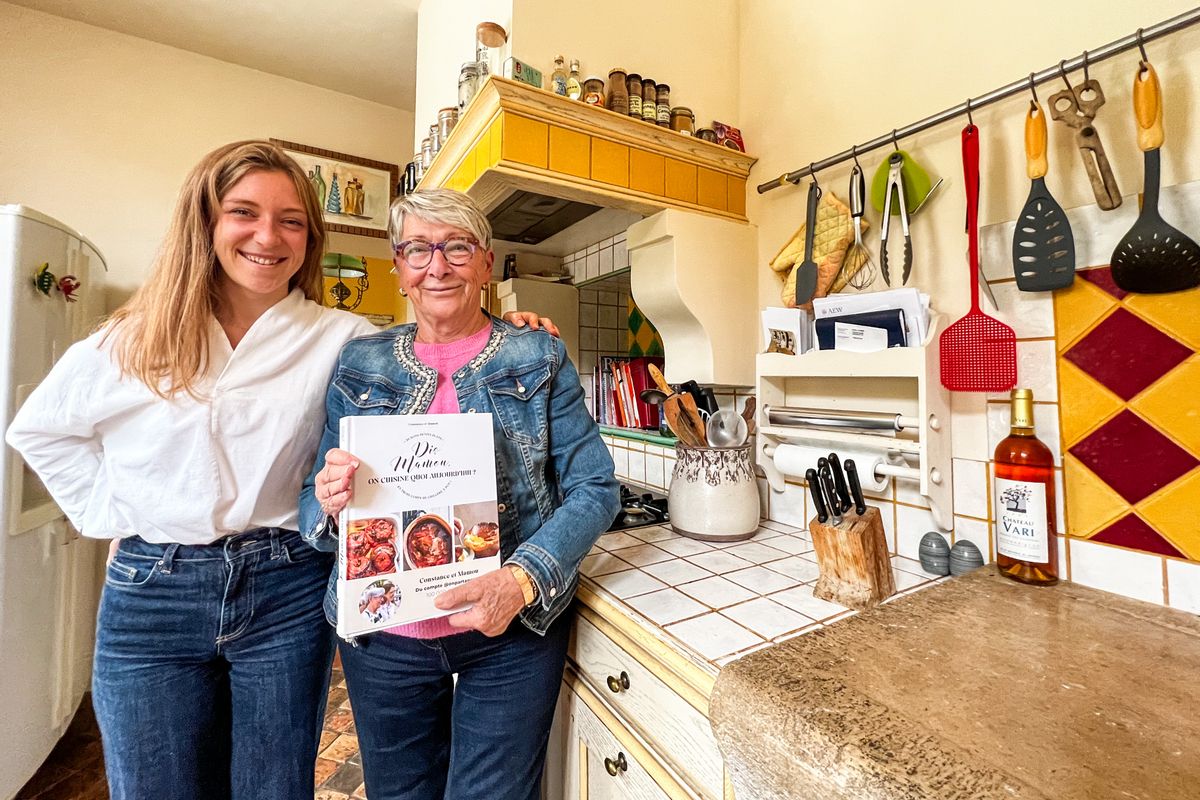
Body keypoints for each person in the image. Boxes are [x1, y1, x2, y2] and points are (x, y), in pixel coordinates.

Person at [5, 140, 556, 800]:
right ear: (205, 222)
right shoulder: (136, 336)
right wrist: (116, 512)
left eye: (291, 220)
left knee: (273, 786)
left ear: (309, 237)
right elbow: (40, 431)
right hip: (155, 590)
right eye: (244, 212)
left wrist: (511, 332)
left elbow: (437, 356)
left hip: (286, 582)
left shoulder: (341, 339)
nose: (268, 236)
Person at [301, 188, 619, 800]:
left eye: (456, 247)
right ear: (398, 267)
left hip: (510, 634)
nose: (437, 265)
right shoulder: (359, 362)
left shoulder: (538, 353)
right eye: (418, 249)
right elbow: (313, 503)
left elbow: (594, 488)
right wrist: (331, 497)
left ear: (486, 263)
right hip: (385, 636)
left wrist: (520, 580)